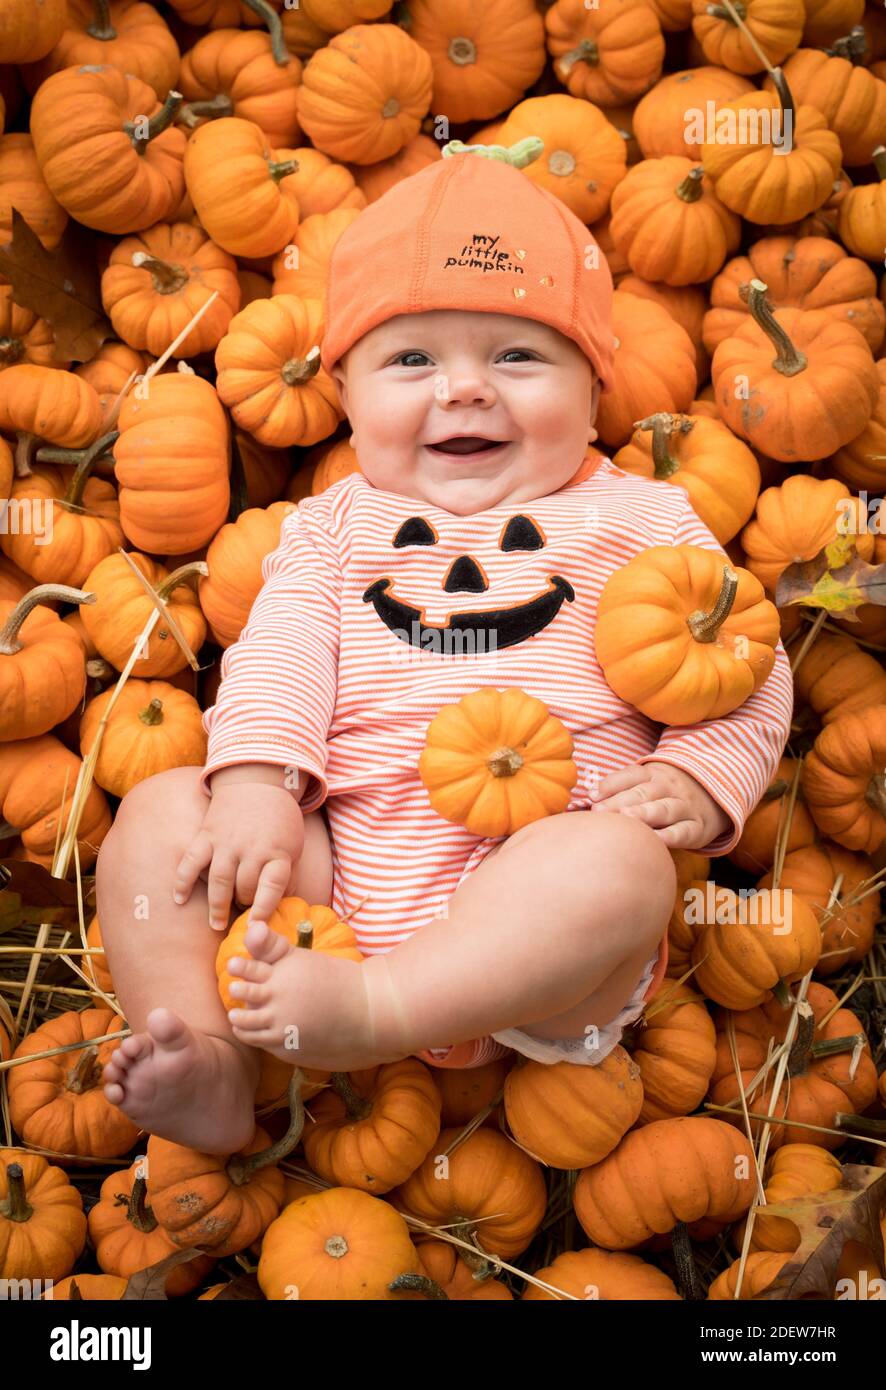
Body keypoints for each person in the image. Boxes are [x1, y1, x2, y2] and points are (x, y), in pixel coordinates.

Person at [98, 139, 793, 1154]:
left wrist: (699, 775)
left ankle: (379, 1010)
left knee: (621, 867)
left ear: (594, 387)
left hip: (533, 920)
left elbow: (745, 658)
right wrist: (253, 783)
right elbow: (278, 648)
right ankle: (211, 1056)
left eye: (517, 355)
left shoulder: (645, 517)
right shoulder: (334, 525)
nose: (464, 388)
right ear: (344, 395)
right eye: (411, 358)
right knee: (166, 810)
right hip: (327, 886)